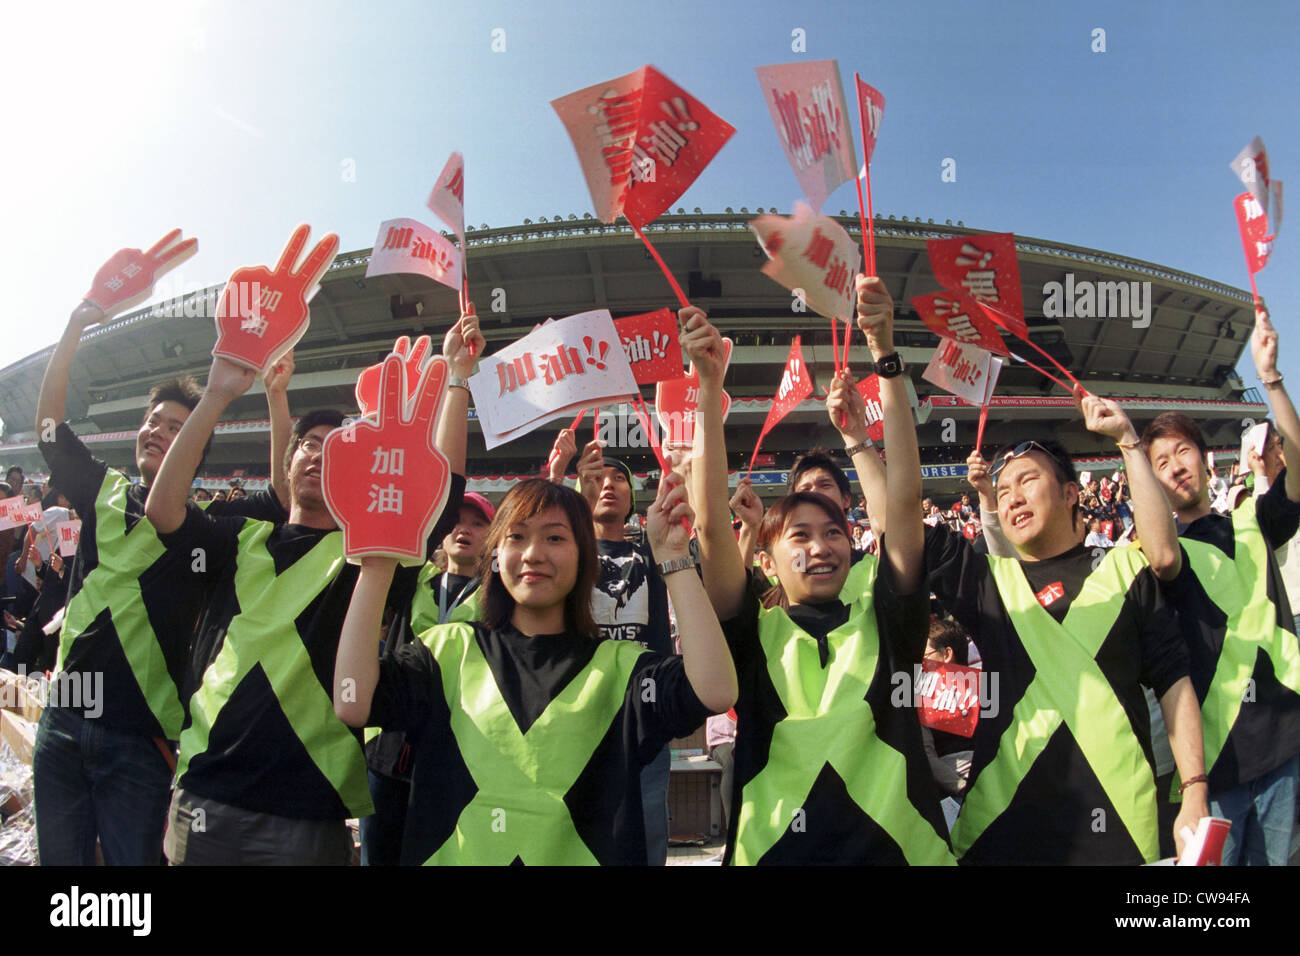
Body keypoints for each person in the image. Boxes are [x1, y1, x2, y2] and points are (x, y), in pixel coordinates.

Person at [146, 314, 479, 864]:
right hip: (204, 794)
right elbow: (163, 511)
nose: (318, 454)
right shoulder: (239, 539)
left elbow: (443, 495)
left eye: (335, 446)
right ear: (290, 456)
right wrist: (218, 392)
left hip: (307, 809)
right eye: (308, 443)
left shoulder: (370, 552)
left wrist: (456, 380)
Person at [333, 475, 736, 864]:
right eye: (517, 536)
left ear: (585, 558)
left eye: (555, 538)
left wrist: (675, 560)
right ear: (495, 554)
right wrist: (376, 567)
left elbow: (716, 690)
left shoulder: (619, 668)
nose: (533, 554)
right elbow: (352, 702)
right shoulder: (447, 650)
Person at [691, 277, 953, 865]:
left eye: (835, 531)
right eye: (800, 535)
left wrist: (884, 353)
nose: (821, 546)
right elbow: (710, 530)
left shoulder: (887, 614)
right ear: (766, 556)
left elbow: (904, 506)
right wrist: (710, 393)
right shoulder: (753, 630)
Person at [29, 299, 289, 866]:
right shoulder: (104, 491)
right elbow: (48, 426)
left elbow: (282, 497)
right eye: (154, 421)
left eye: (177, 427)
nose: (157, 431)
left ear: (197, 446)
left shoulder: (215, 526)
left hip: (142, 740)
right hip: (64, 721)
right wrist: (74, 323)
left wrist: (273, 394)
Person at [921, 391, 1209, 864]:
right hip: (1000, 831)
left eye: (1027, 480)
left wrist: (1195, 791)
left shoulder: (1123, 571)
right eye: (1003, 488)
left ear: (1072, 492)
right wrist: (876, 392)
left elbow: (1174, 682)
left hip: (1121, 828)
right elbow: (899, 520)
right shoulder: (988, 581)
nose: (1013, 496)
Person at [1140, 305, 1300, 865]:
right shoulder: (1156, 557)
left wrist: (1272, 379)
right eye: (1160, 462)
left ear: (1207, 460)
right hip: (1212, 768)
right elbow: (1161, 559)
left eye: (1183, 451)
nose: (1176, 466)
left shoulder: (1255, 518)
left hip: (1286, 744)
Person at [547, 433, 676, 865]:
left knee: (648, 829)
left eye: (618, 479)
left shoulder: (655, 550)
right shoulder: (568, 556)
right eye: (598, 478)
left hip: (643, 714)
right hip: (578, 711)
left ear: (631, 497)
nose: (608, 485)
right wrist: (557, 478)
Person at [360, 490, 496, 865]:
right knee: (380, 851)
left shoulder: (498, 597)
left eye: (477, 522)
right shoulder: (413, 580)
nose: (463, 529)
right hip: (389, 747)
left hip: (457, 746)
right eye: (455, 520)